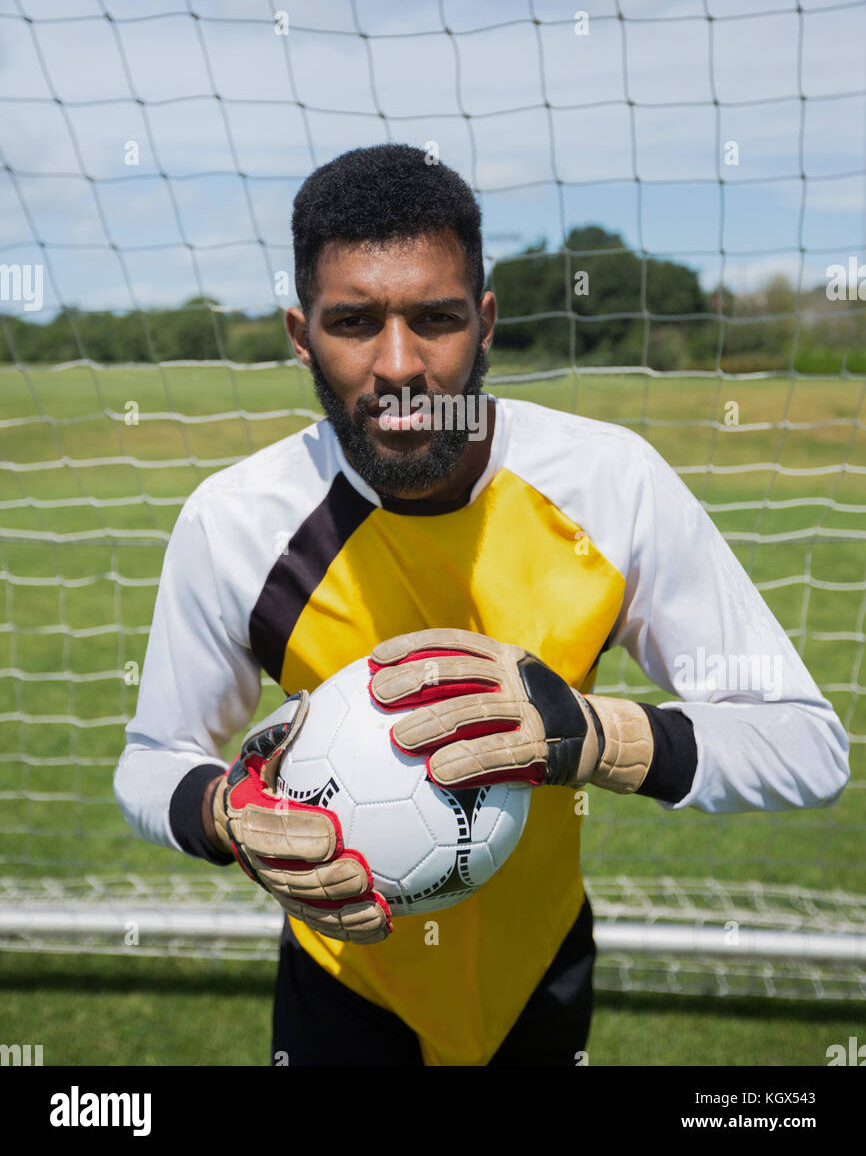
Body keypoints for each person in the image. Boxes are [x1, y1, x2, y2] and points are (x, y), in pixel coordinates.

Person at [114, 143, 849, 1068]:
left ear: (487, 321)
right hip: (345, 983)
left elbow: (807, 743)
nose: (399, 365)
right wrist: (225, 812)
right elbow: (151, 761)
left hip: (535, 974)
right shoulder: (236, 521)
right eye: (353, 323)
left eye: (436, 318)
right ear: (301, 336)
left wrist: (604, 739)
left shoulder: (608, 482)